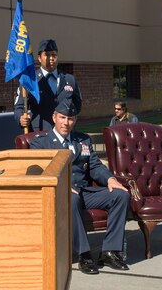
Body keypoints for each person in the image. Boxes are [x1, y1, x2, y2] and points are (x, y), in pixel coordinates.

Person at [29, 94, 130, 274]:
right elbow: (38, 171)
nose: (66, 123)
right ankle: (84, 255)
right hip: (59, 193)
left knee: (120, 195)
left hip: (84, 191)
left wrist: (110, 179)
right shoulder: (40, 142)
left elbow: (95, 166)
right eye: (62, 117)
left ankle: (110, 251)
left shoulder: (82, 140)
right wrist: (61, 185)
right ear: (54, 117)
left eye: (70, 119)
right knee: (72, 199)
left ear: (75, 120)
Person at [13, 38, 82, 131]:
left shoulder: (69, 79)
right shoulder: (30, 81)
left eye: (54, 55)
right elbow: (19, 106)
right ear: (39, 58)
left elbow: (77, 105)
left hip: (65, 132)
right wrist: (21, 118)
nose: (51, 58)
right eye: (47, 55)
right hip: (40, 132)